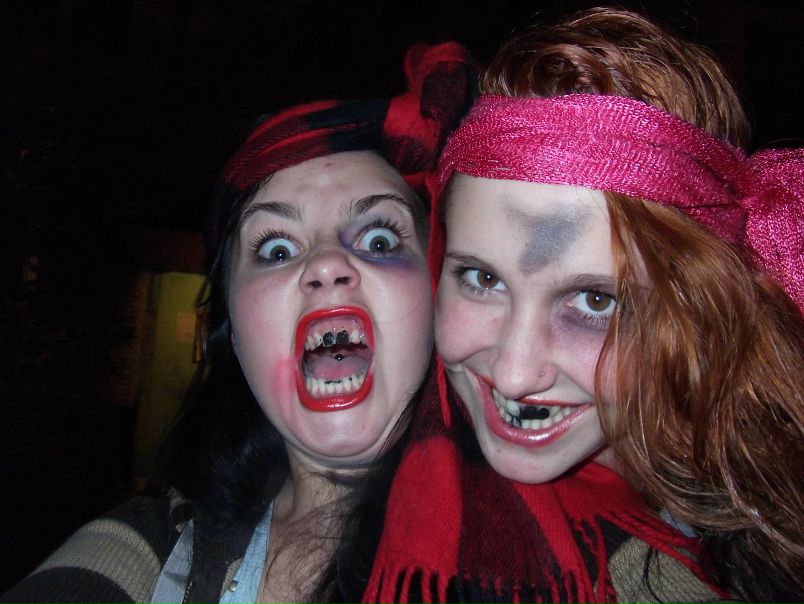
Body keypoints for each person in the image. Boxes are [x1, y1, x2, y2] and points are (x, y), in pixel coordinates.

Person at [1, 42, 475, 604]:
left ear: (440, 291)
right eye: (277, 250)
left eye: (378, 240)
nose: (326, 264)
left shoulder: (546, 557)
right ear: (233, 330)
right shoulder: (151, 546)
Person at [364, 8, 803, 604]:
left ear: (696, 309)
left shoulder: (769, 517)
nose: (514, 374)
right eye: (482, 278)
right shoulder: (376, 494)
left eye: (595, 300)